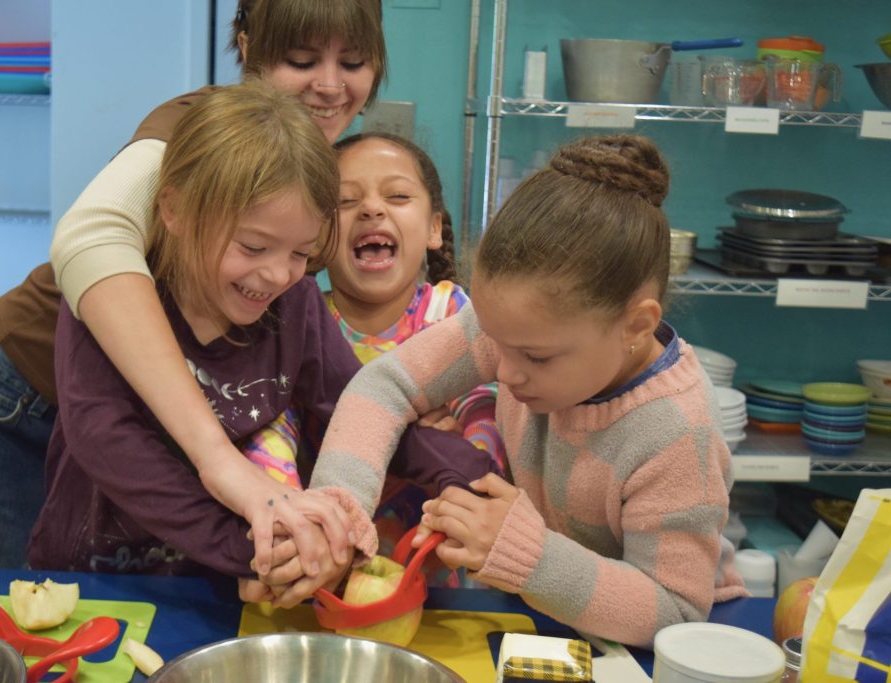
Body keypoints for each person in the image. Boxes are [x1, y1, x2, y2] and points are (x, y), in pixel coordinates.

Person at [0, 0, 386, 572]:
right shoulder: (196, 128)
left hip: (122, 434)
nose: (330, 85)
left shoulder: (309, 163)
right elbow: (89, 240)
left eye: (353, 62)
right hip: (19, 397)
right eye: (302, 60)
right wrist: (222, 466)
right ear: (247, 47)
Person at [28, 81, 496, 583]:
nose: (276, 276)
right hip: (94, 579)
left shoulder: (294, 305)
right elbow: (108, 441)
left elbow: (359, 410)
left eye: (300, 253)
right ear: (175, 209)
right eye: (253, 247)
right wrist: (250, 551)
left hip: (221, 586)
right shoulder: (113, 301)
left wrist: (470, 478)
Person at [304, 135, 748, 646]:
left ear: (635, 326)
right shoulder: (519, 331)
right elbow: (386, 383)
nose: (506, 376)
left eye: (535, 359)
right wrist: (340, 505)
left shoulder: (676, 432)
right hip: (548, 615)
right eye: (496, 344)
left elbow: (675, 612)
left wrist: (530, 557)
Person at [242, 132, 505, 586]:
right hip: (316, 566)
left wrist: (467, 462)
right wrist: (288, 519)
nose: (371, 209)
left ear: (434, 229)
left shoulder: (451, 314)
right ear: (315, 235)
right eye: (345, 201)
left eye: (397, 196)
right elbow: (273, 423)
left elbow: (486, 404)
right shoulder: (299, 321)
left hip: (427, 575)